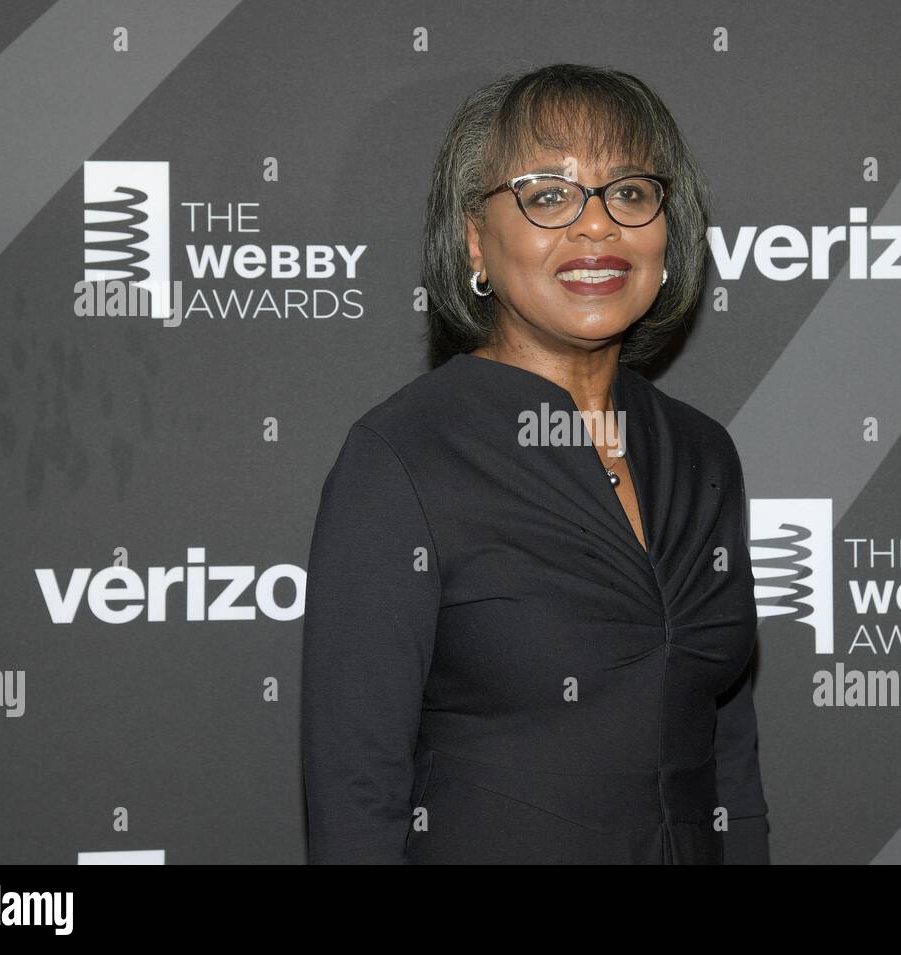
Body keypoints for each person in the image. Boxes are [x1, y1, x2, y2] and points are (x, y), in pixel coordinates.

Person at [301, 63, 770, 864]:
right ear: (476, 242)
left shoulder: (703, 455)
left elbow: (728, 756)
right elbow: (355, 796)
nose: (598, 228)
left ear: (668, 233)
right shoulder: (405, 458)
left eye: (629, 192)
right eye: (548, 195)